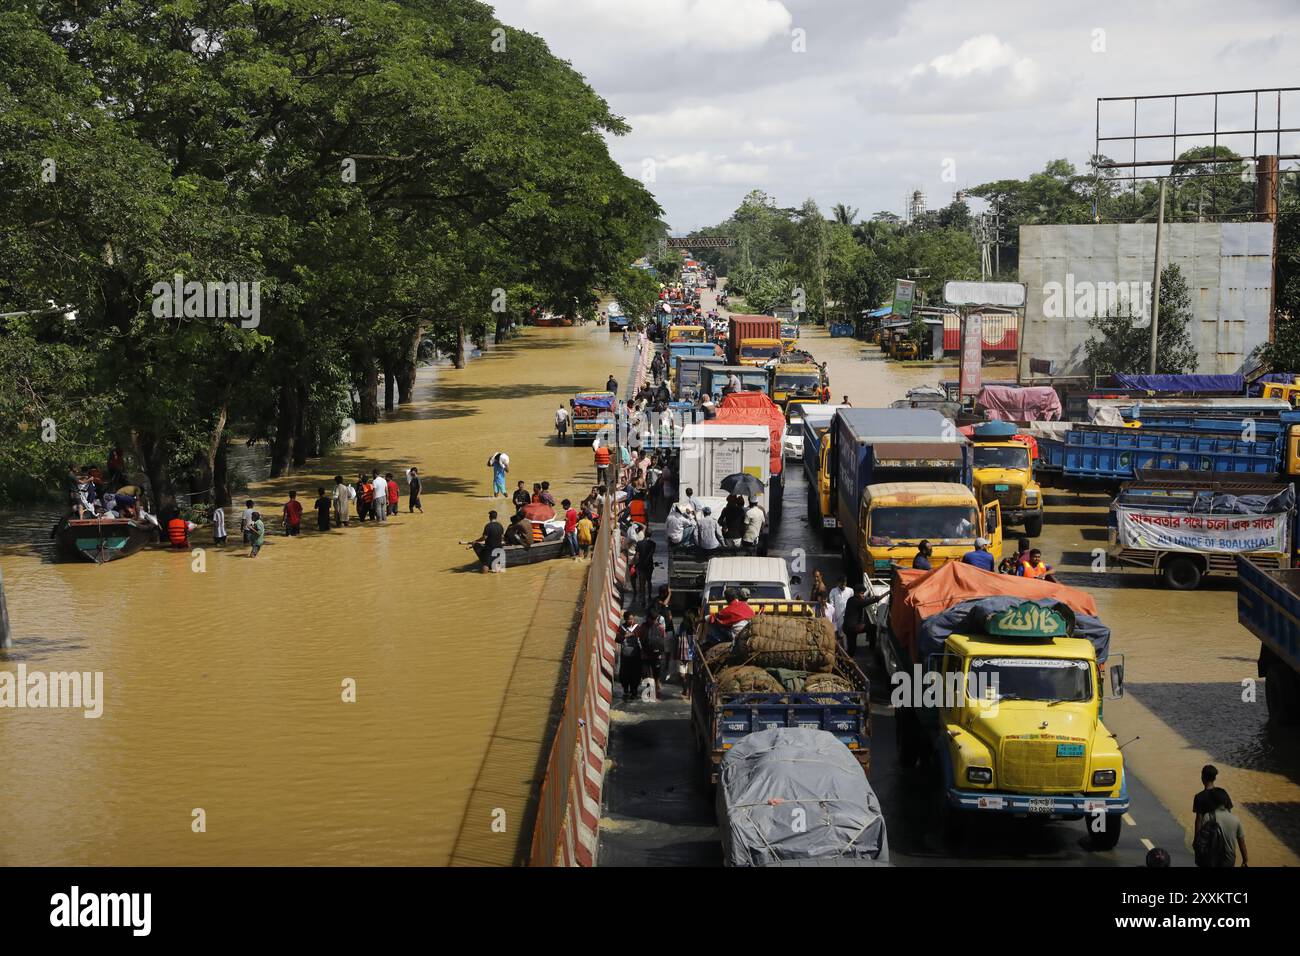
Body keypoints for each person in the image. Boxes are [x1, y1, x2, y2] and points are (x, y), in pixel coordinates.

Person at [1195, 788, 1248, 868]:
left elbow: (1202, 839)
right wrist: (1245, 860)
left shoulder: (1207, 817)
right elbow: (1242, 843)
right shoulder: (1235, 820)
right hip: (1229, 860)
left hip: (1211, 859)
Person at [841, 583, 884, 657]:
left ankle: (848, 657)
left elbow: (865, 600)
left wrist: (871, 598)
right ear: (857, 593)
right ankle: (871, 648)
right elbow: (869, 601)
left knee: (852, 648)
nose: (863, 595)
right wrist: (880, 597)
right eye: (862, 593)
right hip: (853, 628)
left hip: (847, 627)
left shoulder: (850, 600)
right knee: (873, 627)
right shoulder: (857, 601)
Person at [645, 584, 676, 685]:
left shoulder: (662, 601)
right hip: (660, 631)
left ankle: (665, 665)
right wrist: (669, 595)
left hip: (668, 629)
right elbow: (664, 605)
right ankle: (656, 677)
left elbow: (667, 607)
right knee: (660, 650)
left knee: (667, 650)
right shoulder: (657, 601)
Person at [1194, 765, 1234, 837]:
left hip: (1207, 835)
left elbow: (1199, 820)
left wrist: (1196, 839)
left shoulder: (1199, 797)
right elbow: (1229, 813)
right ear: (1215, 778)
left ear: (1202, 777)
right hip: (1223, 833)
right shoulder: (1223, 792)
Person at [617, 612, 642, 700]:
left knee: (635, 673)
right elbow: (617, 638)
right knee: (625, 674)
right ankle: (626, 690)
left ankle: (634, 690)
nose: (631, 621)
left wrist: (633, 635)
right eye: (629, 619)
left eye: (632, 619)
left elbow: (642, 637)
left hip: (635, 656)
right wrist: (625, 635)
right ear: (625, 619)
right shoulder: (621, 628)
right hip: (625, 656)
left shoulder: (637, 628)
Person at [634, 534, 656, 605]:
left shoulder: (639, 543)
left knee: (642, 582)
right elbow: (652, 554)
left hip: (641, 565)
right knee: (649, 581)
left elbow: (637, 555)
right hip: (649, 565)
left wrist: (635, 564)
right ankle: (649, 596)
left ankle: (643, 598)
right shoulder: (653, 544)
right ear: (650, 535)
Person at [828, 575, 851, 642]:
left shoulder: (850, 591)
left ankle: (846, 650)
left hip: (847, 618)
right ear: (838, 583)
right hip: (837, 617)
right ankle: (839, 650)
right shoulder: (833, 591)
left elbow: (852, 603)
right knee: (838, 636)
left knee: (847, 636)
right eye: (842, 582)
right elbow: (831, 605)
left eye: (845, 582)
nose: (843, 584)